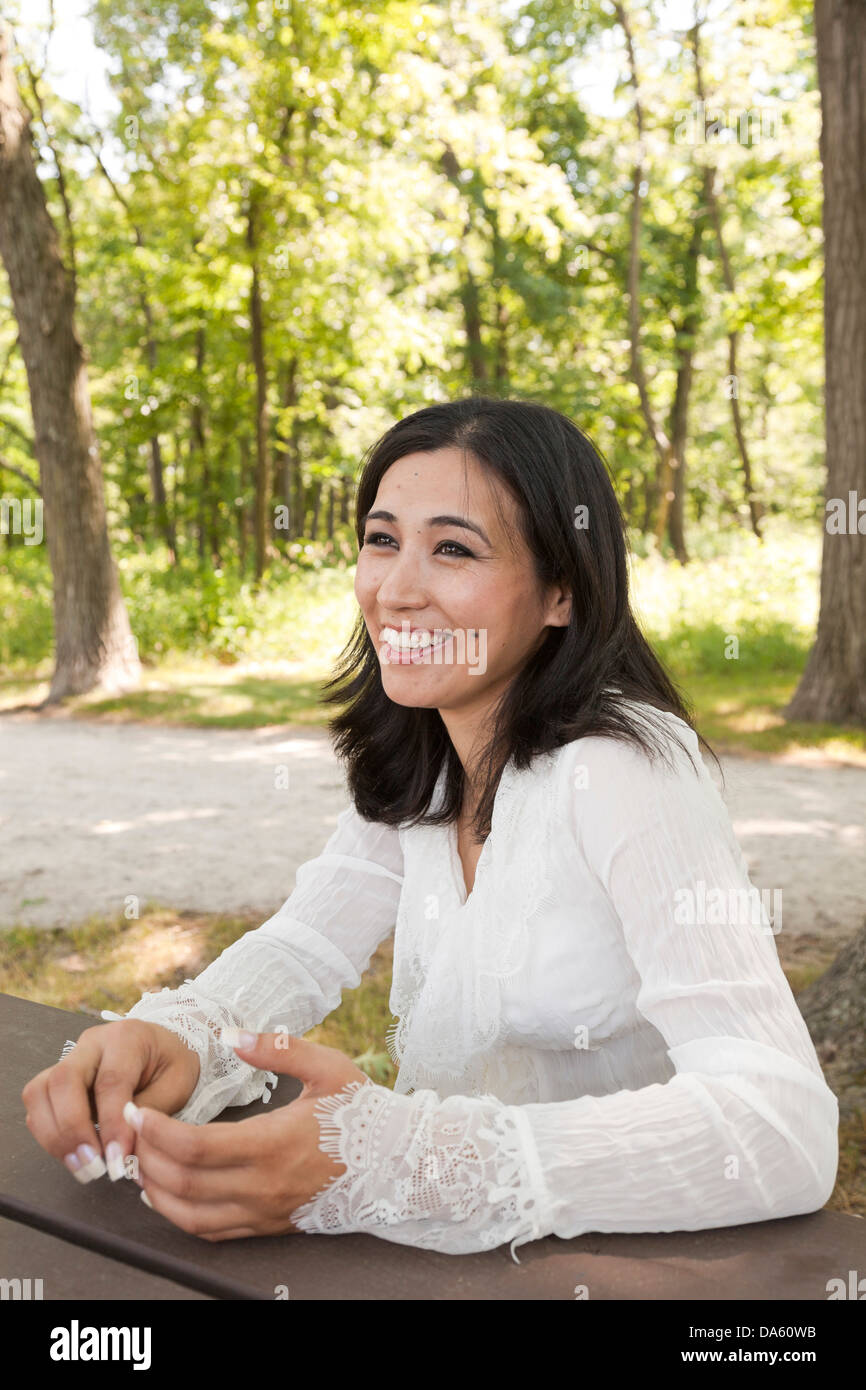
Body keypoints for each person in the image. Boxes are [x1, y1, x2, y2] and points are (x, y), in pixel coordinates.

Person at [21, 397, 838, 1260]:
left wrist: (393, 1161)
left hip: (613, 1265)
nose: (397, 589)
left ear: (562, 591)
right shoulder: (433, 750)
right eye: (382, 539)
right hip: (429, 1267)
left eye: (454, 548)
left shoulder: (629, 769)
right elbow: (304, 945)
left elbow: (780, 1123)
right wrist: (178, 1037)